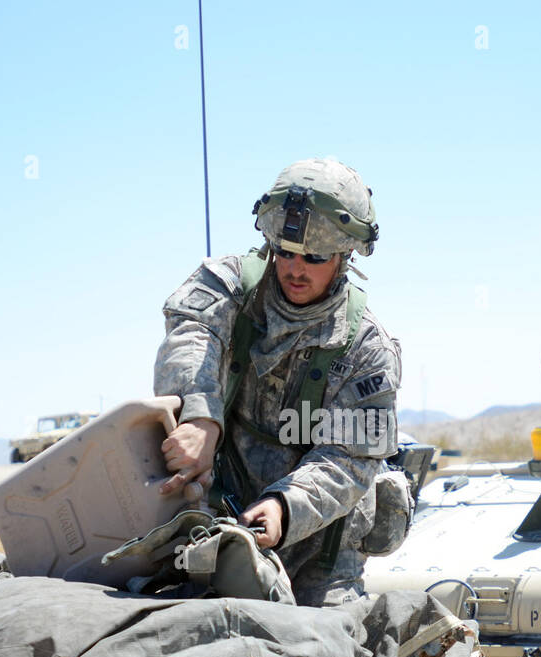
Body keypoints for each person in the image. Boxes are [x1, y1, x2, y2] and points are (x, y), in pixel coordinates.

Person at [153, 158, 402, 607]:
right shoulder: (229, 284)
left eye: (314, 257)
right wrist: (199, 416)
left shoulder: (366, 349)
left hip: (322, 548)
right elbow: (192, 331)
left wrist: (287, 507)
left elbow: (347, 462)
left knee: (323, 655)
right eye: (284, 251)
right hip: (220, 519)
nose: (295, 269)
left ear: (345, 257)